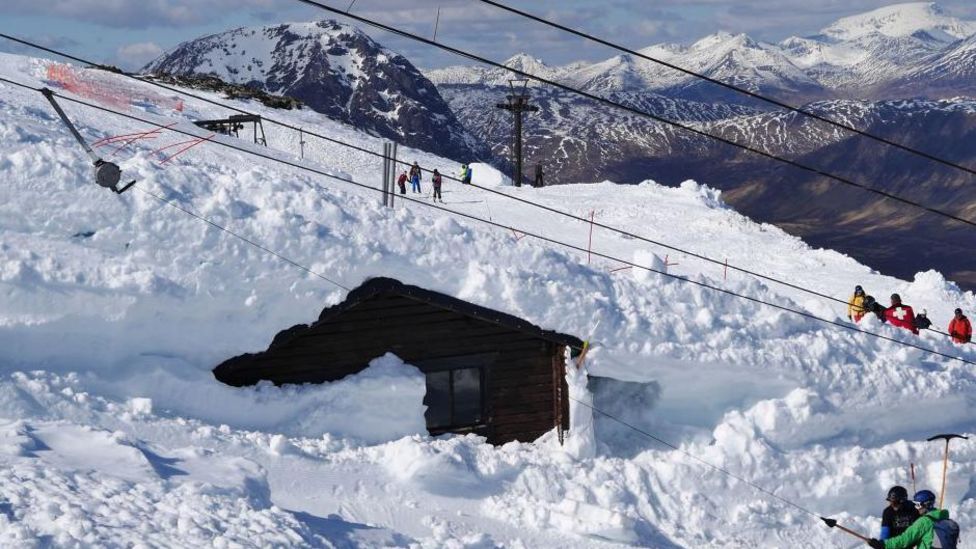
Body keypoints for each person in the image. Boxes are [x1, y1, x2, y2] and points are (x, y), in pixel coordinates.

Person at [868, 489, 958, 549]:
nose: (916, 507)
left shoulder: (924, 522)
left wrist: (883, 544)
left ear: (925, 505)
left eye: (917, 504)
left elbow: (904, 539)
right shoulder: (944, 518)